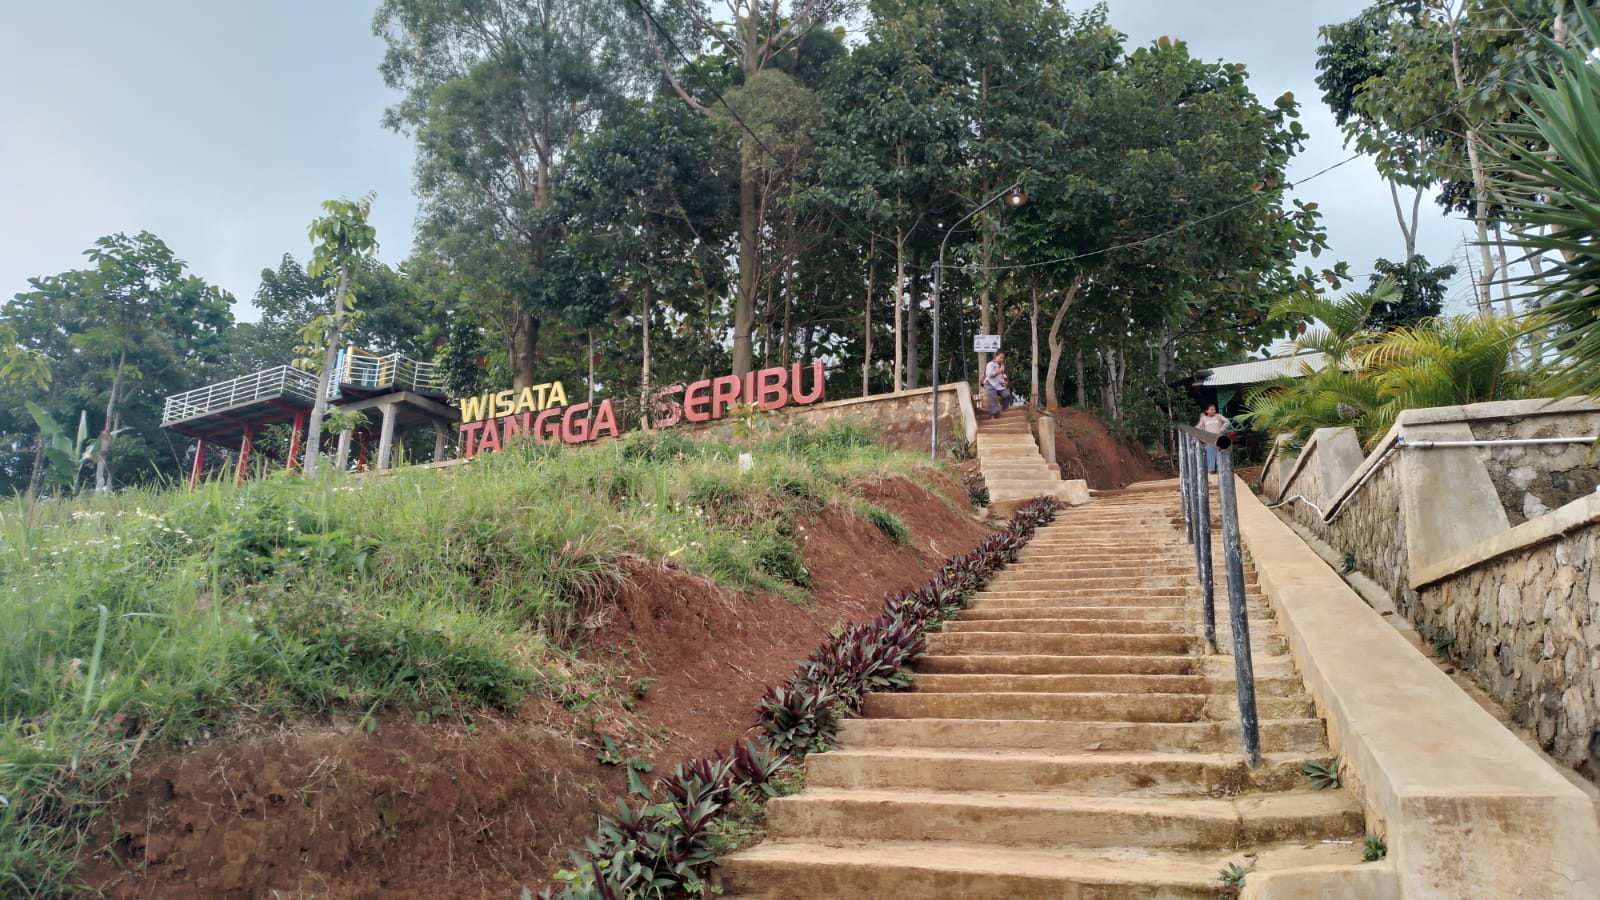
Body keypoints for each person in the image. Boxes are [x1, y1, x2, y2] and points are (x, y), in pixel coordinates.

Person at [1196, 403, 1229, 473]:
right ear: (1207, 411)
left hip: (1218, 437)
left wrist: (1221, 429)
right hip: (1209, 438)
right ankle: (1211, 470)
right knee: (1211, 453)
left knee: (1220, 453)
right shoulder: (1203, 418)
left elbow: (1227, 421)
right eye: (1211, 410)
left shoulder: (1218, 416)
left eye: (1214, 409)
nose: (1213, 411)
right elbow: (1198, 427)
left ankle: (1221, 468)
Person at [983, 352, 1008, 419]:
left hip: (999, 384)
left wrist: (1005, 381)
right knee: (993, 398)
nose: (1002, 359)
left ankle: (1004, 409)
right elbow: (990, 375)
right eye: (1000, 358)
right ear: (995, 357)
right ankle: (993, 415)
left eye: (1003, 358)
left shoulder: (1002, 365)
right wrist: (999, 371)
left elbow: (1002, 375)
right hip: (989, 384)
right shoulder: (990, 364)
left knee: (1007, 395)